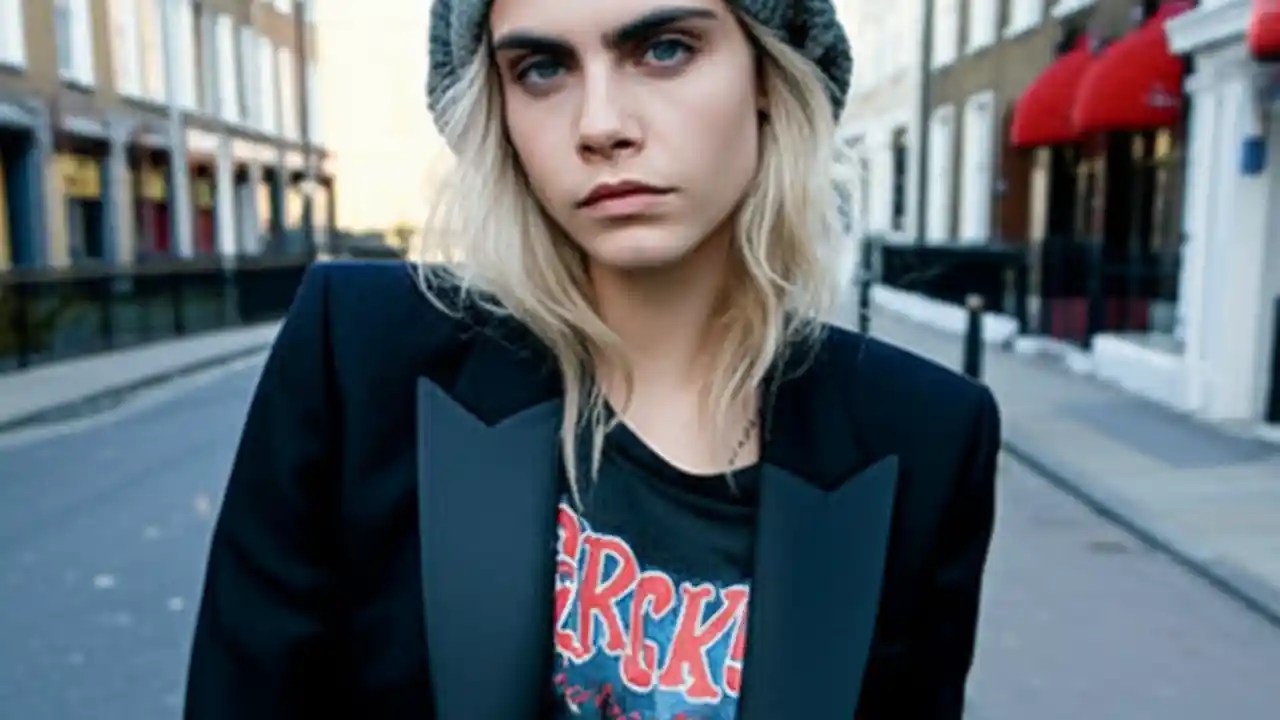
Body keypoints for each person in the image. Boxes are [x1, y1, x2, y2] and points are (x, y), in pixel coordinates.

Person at [182, 0, 1002, 718]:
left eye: (666, 49)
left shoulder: (923, 435)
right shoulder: (361, 358)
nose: (600, 124)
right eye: (542, 69)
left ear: (767, 72)